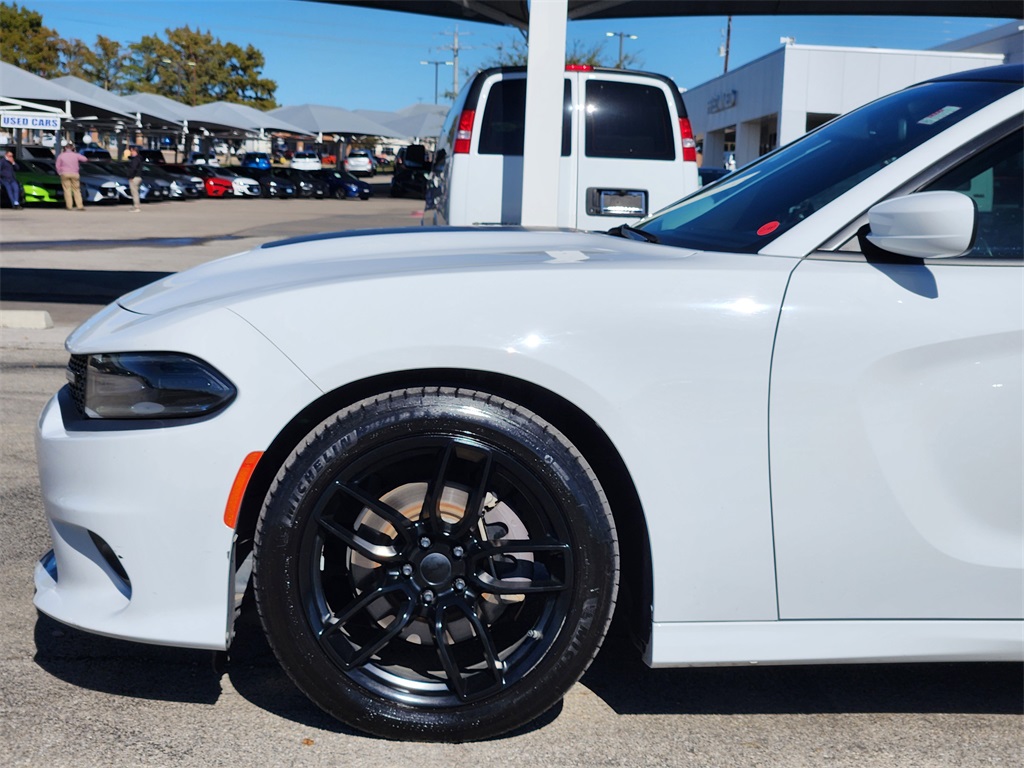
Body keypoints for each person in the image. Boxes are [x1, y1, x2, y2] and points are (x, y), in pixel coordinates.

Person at [55, 142, 88, 210]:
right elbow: (85, 159)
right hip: (75, 173)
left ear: (65, 148)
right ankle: (80, 206)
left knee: (67, 190)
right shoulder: (76, 155)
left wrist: (59, 172)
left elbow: (57, 165)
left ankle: (69, 206)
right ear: (73, 148)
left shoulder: (61, 155)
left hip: (64, 173)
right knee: (76, 190)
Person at [126, 145, 144, 212]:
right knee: (136, 191)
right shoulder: (139, 158)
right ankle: (135, 205)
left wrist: (130, 176)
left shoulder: (135, 159)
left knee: (134, 192)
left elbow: (133, 168)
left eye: (131, 151)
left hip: (135, 177)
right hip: (139, 177)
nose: (131, 152)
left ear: (134, 151)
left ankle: (137, 207)